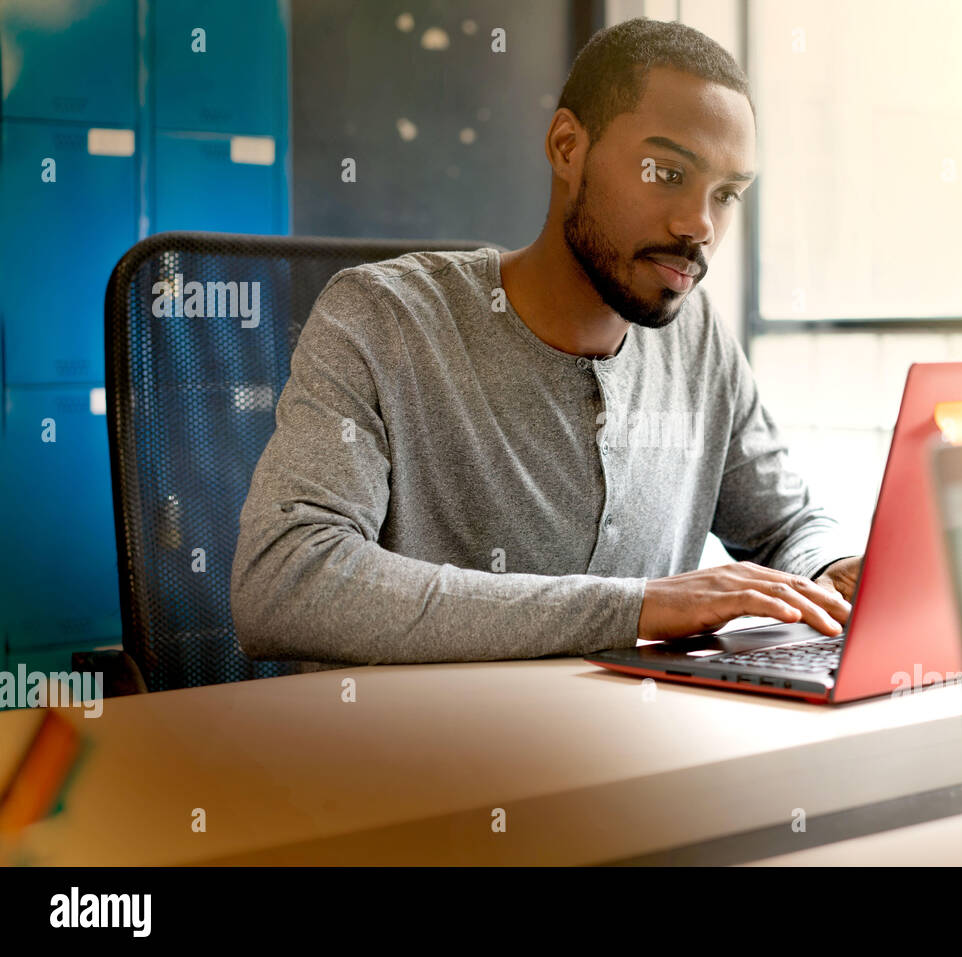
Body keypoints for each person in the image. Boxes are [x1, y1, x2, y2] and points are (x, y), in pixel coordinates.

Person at [230, 17, 862, 666]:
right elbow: (284, 578)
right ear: (567, 147)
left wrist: (835, 569)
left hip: (633, 751)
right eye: (667, 172)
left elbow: (787, 526)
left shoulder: (699, 342)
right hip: (410, 755)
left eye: (727, 194)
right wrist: (634, 607)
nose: (699, 225)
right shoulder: (381, 318)